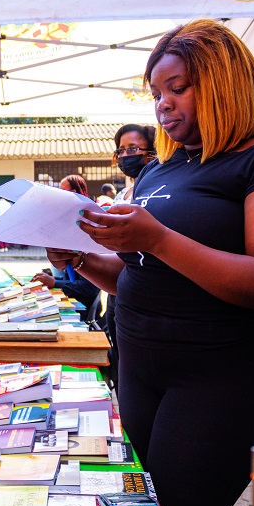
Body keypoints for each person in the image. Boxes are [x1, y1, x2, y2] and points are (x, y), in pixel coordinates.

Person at [47, 20, 254, 506]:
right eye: (156, 92)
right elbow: (140, 273)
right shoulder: (159, 168)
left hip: (216, 379)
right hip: (139, 367)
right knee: (136, 500)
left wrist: (158, 238)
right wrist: (82, 259)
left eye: (177, 89)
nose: (163, 104)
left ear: (222, 85)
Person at [103, 123, 158, 392]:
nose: (126, 156)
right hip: (117, 286)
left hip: (146, 288)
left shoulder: (158, 193)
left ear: (154, 152)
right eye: (121, 150)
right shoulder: (125, 193)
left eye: (133, 149)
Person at [32, 175, 101, 315]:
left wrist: (54, 283)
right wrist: (49, 280)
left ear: (76, 193)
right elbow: (70, 279)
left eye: (63, 191)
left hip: (80, 307)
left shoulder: (86, 229)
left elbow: (88, 287)